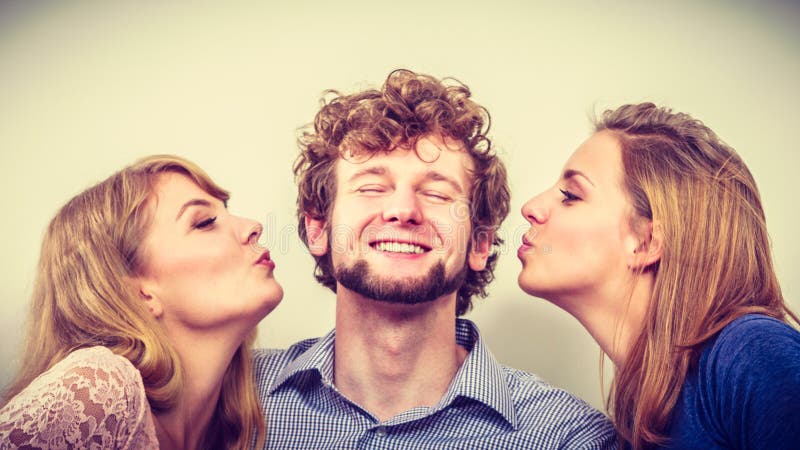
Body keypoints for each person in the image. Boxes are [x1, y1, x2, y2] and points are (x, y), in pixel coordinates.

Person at [253, 69, 616, 449]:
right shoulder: (232, 402)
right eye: (372, 187)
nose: (402, 210)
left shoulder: (567, 436)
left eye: (439, 195)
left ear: (479, 243)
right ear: (317, 228)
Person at [518, 102, 800, 449]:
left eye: (570, 196)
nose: (530, 207)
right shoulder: (639, 414)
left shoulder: (751, 353)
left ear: (646, 242)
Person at [0, 155, 282, 449]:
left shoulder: (234, 426)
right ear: (139, 293)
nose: (254, 226)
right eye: (205, 222)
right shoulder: (100, 389)